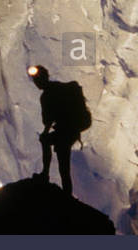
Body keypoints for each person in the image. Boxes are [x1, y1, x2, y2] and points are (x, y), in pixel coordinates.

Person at [27, 65, 91, 195]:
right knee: (63, 163)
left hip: (65, 131)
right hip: (70, 130)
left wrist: (45, 133)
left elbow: (47, 121)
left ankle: (48, 177)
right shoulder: (58, 87)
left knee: (62, 161)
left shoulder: (46, 95)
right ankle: (65, 192)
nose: (36, 83)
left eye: (37, 80)